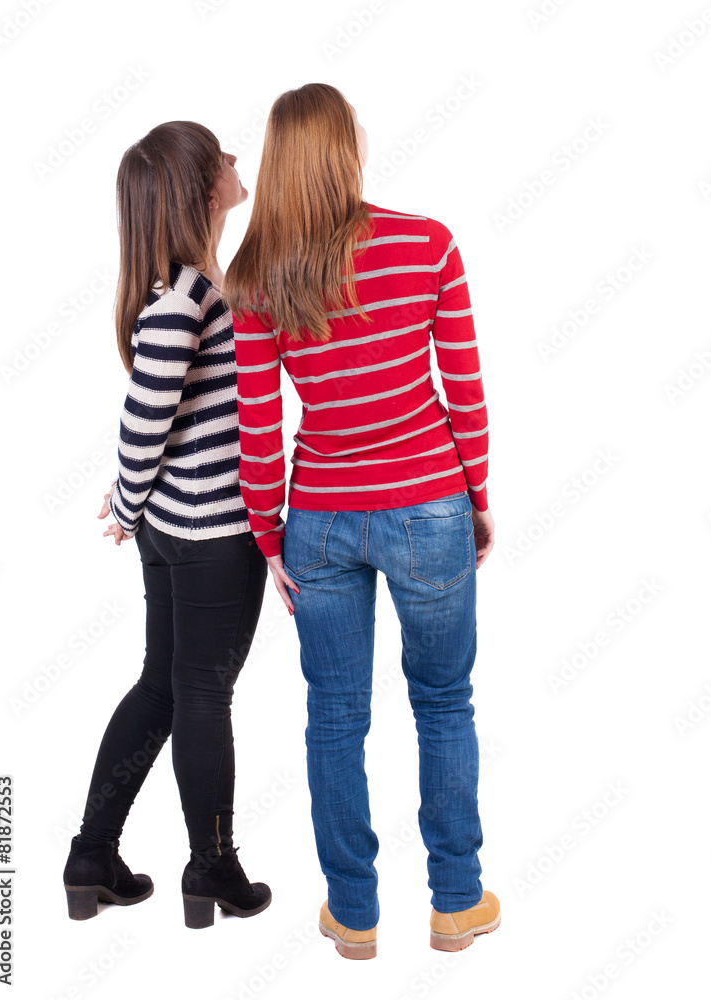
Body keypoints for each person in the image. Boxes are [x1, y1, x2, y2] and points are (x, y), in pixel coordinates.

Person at [224, 83, 500, 959]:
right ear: (348, 148)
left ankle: (353, 913)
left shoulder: (257, 274)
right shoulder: (428, 244)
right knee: (443, 701)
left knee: (336, 718)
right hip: (429, 503)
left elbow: (259, 426)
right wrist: (477, 496)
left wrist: (268, 537)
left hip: (320, 518)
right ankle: (456, 902)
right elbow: (464, 388)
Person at [63, 121, 271, 930]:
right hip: (210, 533)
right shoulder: (185, 298)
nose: (236, 160)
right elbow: (143, 419)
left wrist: (134, 502)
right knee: (202, 694)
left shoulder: (189, 288)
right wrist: (123, 502)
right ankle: (211, 866)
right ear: (202, 189)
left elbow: (157, 419)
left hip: (174, 528)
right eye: (222, 156)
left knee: (165, 685)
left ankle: (92, 857)